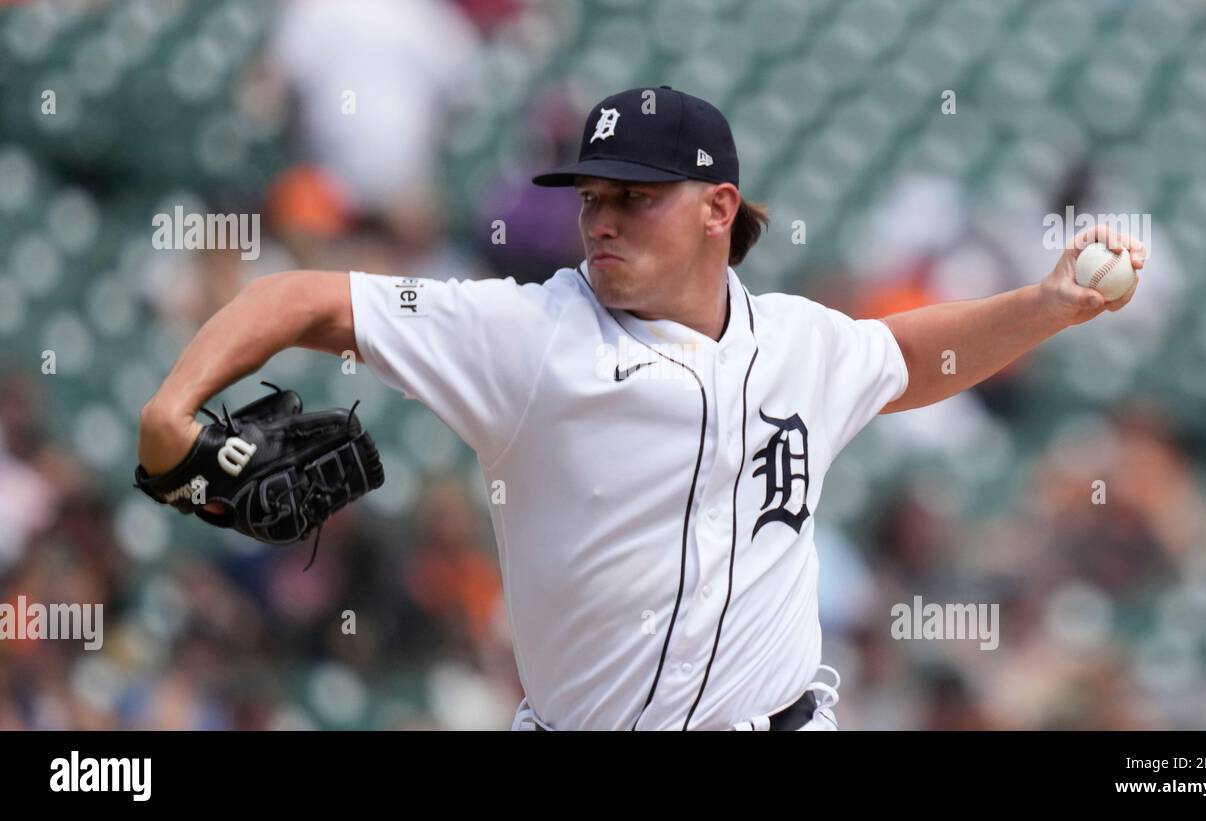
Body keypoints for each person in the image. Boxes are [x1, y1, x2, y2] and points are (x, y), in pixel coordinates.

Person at [138, 86, 1144, 730]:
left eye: (635, 196)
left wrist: (1047, 307)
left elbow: (908, 355)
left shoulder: (800, 340)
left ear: (717, 207)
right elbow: (304, 297)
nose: (602, 218)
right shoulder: (525, 336)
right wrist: (174, 407)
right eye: (592, 196)